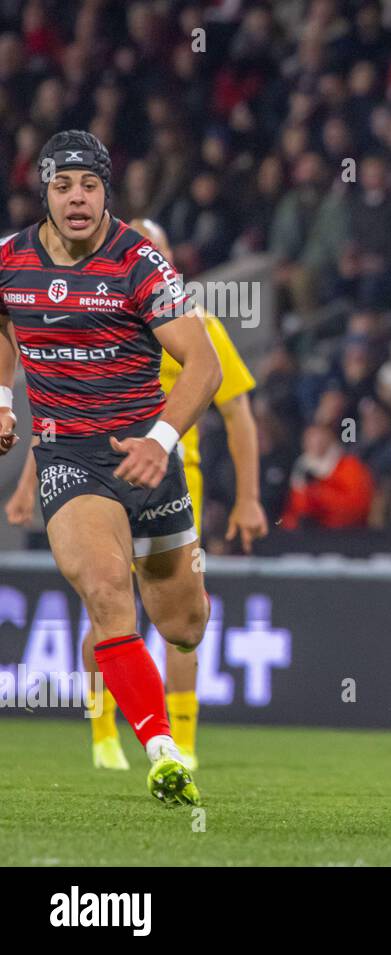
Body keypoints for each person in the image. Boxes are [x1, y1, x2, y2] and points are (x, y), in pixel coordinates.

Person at [0, 130, 221, 805]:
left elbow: (204, 365)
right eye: (63, 185)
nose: (77, 198)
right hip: (68, 456)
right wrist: (2, 400)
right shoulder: (9, 260)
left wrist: (160, 440)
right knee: (104, 591)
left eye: (89, 186)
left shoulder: (139, 262)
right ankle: (161, 751)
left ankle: (180, 601)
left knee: (185, 626)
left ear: (106, 193)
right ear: (44, 192)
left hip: (146, 457)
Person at [4, 218, 265, 773]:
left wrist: (248, 497)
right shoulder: (86, 309)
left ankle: (184, 741)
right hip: (87, 469)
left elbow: (237, 412)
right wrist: (29, 479)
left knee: (183, 627)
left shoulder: (196, 323)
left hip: (172, 475)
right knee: (105, 596)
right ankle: (117, 737)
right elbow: (60, 405)